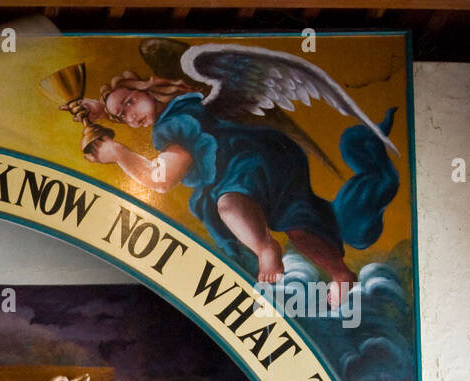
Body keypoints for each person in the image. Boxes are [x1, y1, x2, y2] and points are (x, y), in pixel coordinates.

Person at [78, 71, 397, 306]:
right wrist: (101, 109)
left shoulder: (171, 124)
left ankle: (266, 250)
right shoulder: (183, 104)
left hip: (248, 162)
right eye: (122, 115)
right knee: (297, 226)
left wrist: (117, 153)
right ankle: (341, 275)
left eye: (130, 102)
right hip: (271, 157)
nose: (130, 116)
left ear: (145, 87)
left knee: (229, 206)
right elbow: (130, 110)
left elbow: (161, 179)